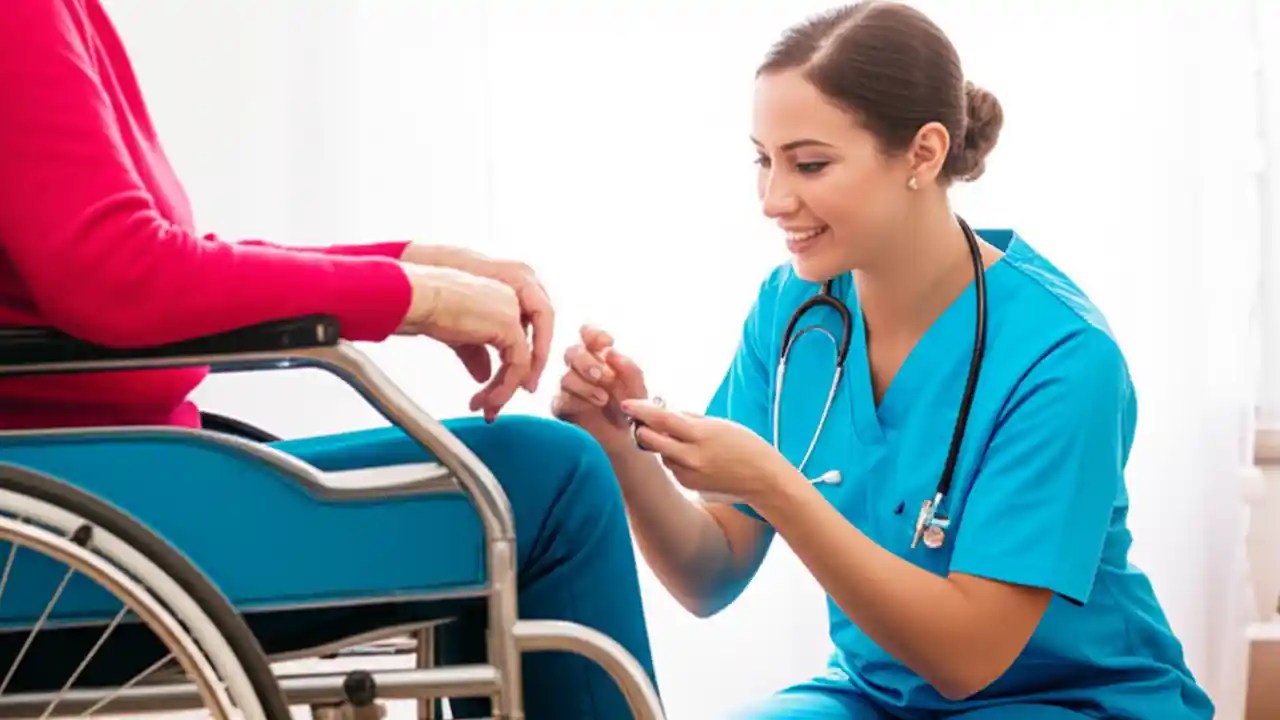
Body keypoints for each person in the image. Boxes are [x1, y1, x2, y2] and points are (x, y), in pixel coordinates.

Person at [552, 2, 1214, 718]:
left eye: (809, 163)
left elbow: (966, 659)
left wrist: (777, 488)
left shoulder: (1063, 359)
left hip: (1070, 699)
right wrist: (622, 445)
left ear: (924, 154)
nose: (774, 199)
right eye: (762, 160)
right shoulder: (793, 311)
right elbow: (711, 576)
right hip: (875, 695)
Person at [0, 1, 656, 718]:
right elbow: (117, 269)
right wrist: (417, 297)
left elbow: (147, 256)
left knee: (486, 485)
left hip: (101, 480)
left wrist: (403, 265)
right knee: (550, 477)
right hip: (81, 515)